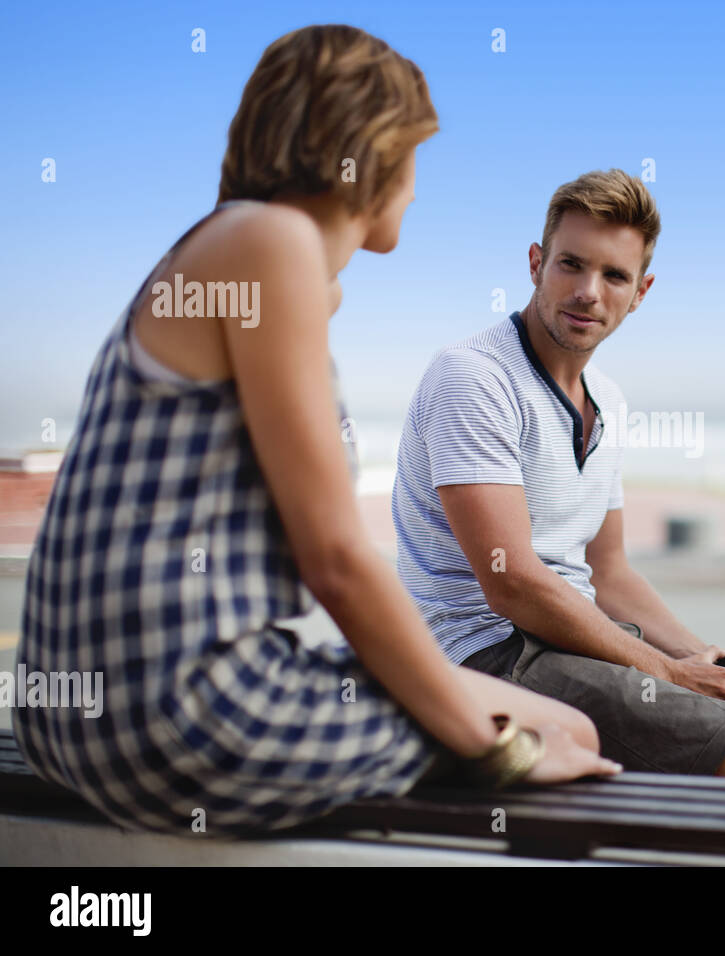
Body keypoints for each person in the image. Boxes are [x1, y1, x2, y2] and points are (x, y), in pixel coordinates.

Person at [12, 24, 618, 837]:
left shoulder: (230, 246)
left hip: (71, 716)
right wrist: (493, 746)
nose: (413, 187)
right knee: (562, 731)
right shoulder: (272, 242)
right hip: (174, 713)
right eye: (412, 159)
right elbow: (334, 560)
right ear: (370, 148)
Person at [392, 169, 725, 781]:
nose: (588, 291)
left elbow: (609, 570)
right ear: (537, 263)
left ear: (640, 291)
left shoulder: (608, 400)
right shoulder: (474, 378)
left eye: (614, 275)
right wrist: (666, 671)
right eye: (571, 264)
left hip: (578, 633)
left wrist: (696, 655)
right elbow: (511, 581)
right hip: (488, 651)